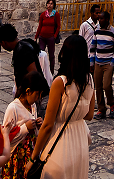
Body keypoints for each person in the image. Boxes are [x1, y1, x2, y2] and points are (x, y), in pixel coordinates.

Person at [31, 34, 94, 179]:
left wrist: (33, 158)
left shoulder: (60, 82)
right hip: (80, 143)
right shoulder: (89, 79)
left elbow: (47, 124)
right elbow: (89, 115)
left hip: (60, 142)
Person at [2, 72, 48, 179]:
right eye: (37, 94)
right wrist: (24, 128)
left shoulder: (33, 107)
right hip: (16, 158)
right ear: (28, 91)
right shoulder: (13, 108)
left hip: (29, 156)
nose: (39, 97)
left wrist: (38, 125)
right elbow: (6, 138)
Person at [91, 11, 114, 119]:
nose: (99, 21)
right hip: (98, 62)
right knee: (97, 87)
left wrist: (112, 63)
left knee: (106, 85)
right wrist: (92, 62)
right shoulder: (96, 30)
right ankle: (101, 109)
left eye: (101, 19)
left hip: (108, 63)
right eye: (99, 19)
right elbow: (93, 47)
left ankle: (112, 103)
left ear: (107, 19)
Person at [36, 0, 61, 72]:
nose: (49, 5)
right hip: (42, 37)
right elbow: (40, 25)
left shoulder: (56, 14)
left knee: (51, 55)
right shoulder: (43, 14)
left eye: (51, 4)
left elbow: (58, 26)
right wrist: (36, 36)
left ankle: (52, 70)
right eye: (48, 3)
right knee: (41, 54)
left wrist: (55, 36)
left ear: (53, 5)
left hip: (51, 37)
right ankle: (41, 69)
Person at [79, 4, 100, 69]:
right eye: (97, 13)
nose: (98, 15)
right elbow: (80, 40)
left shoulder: (100, 25)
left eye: (99, 13)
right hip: (87, 54)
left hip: (97, 55)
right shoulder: (84, 25)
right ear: (92, 13)